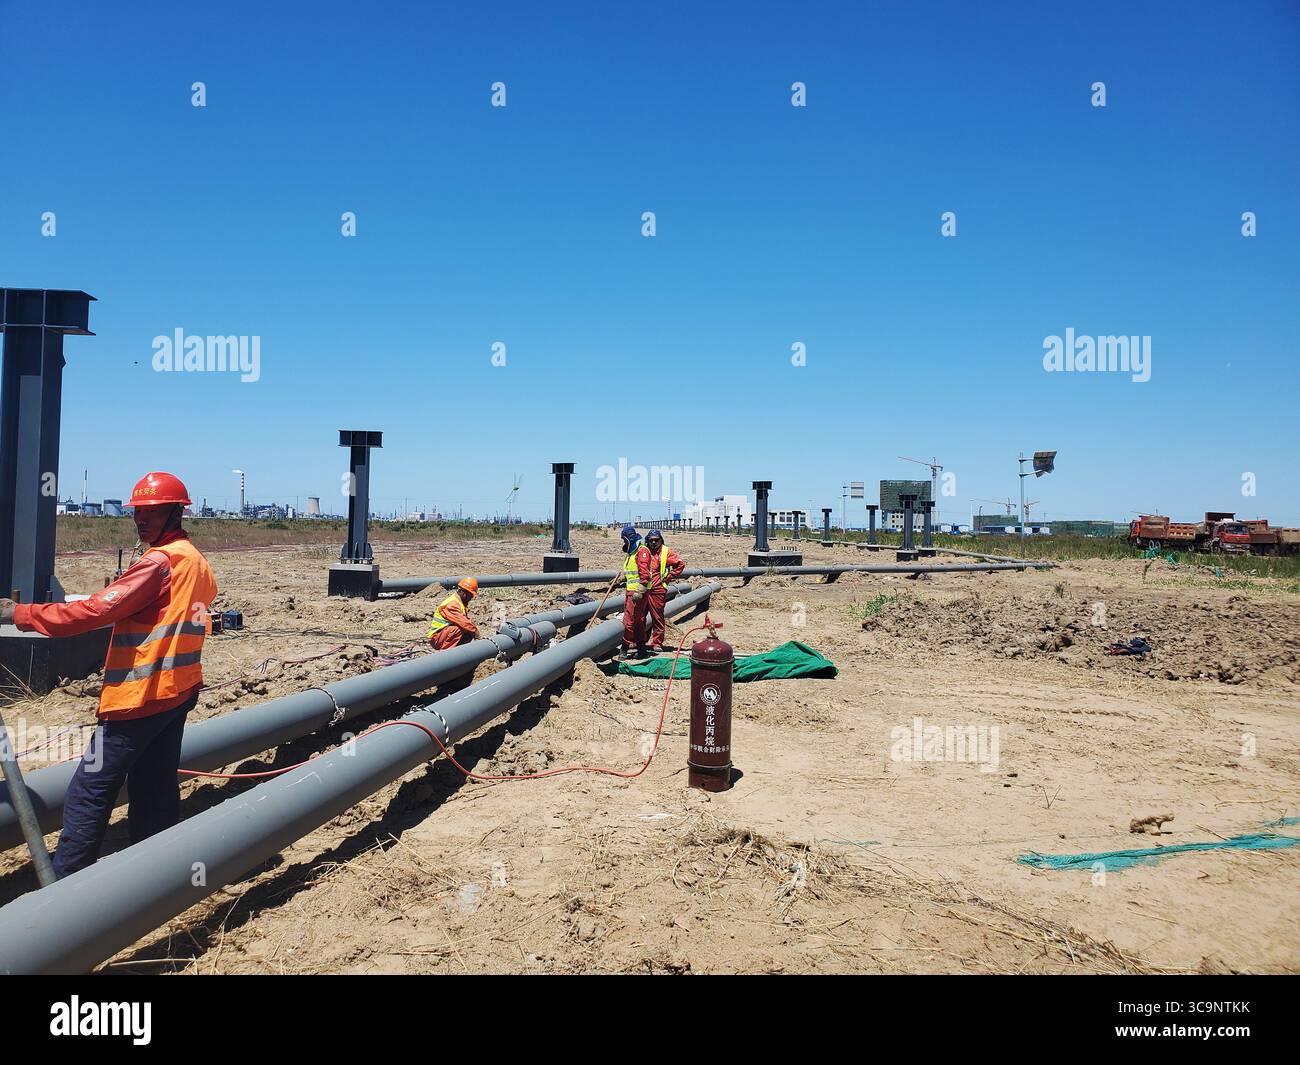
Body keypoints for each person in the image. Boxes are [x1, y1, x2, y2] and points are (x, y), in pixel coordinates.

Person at [0, 472, 217, 878]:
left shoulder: (159, 563)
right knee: (154, 784)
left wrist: (21, 614)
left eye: (152, 512)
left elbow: (94, 611)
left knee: (89, 792)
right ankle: (157, 870)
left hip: (140, 698)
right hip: (178, 693)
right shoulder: (196, 561)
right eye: (138, 512)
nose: (142, 520)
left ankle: (67, 888)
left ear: (175, 512)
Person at [637, 529, 686, 653]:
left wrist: (669, 577)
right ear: (647, 540)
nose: (653, 543)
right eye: (651, 540)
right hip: (643, 589)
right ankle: (639, 642)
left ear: (660, 540)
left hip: (658, 589)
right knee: (640, 616)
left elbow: (680, 564)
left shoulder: (665, 552)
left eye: (656, 540)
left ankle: (657, 642)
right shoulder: (643, 551)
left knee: (657, 617)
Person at [427, 577, 480, 649]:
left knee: (468, 632)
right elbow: (464, 623)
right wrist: (476, 633)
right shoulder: (452, 605)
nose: (471, 598)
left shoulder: (459, 602)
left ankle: (458, 653)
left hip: (442, 635)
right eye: (471, 595)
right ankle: (446, 654)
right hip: (436, 638)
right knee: (459, 629)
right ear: (464, 592)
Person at [619, 525, 646, 659]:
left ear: (629, 538)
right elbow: (630, 571)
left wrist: (640, 590)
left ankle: (624, 648)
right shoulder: (631, 553)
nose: (624, 543)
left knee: (629, 621)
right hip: (631, 591)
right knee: (638, 621)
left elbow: (645, 574)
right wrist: (622, 577)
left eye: (624, 540)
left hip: (637, 593)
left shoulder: (641, 552)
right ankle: (642, 649)